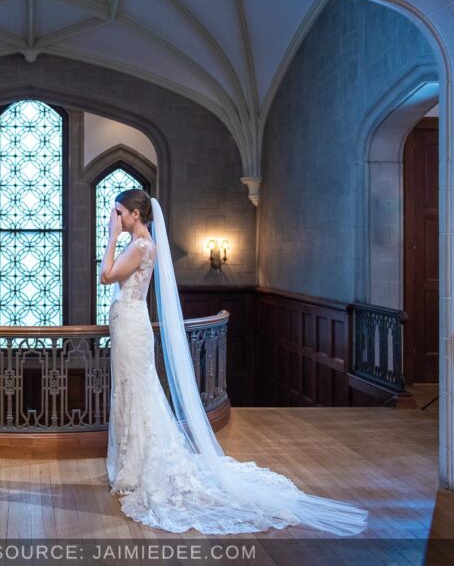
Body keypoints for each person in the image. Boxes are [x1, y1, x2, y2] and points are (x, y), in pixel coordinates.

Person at [99, 189, 368, 535]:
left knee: (137, 393)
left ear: (136, 215)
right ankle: (131, 464)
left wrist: (109, 238)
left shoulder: (140, 246)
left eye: (119, 212)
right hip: (128, 325)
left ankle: (138, 467)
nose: (115, 218)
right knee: (133, 393)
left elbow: (106, 276)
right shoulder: (140, 244)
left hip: (132, 327)